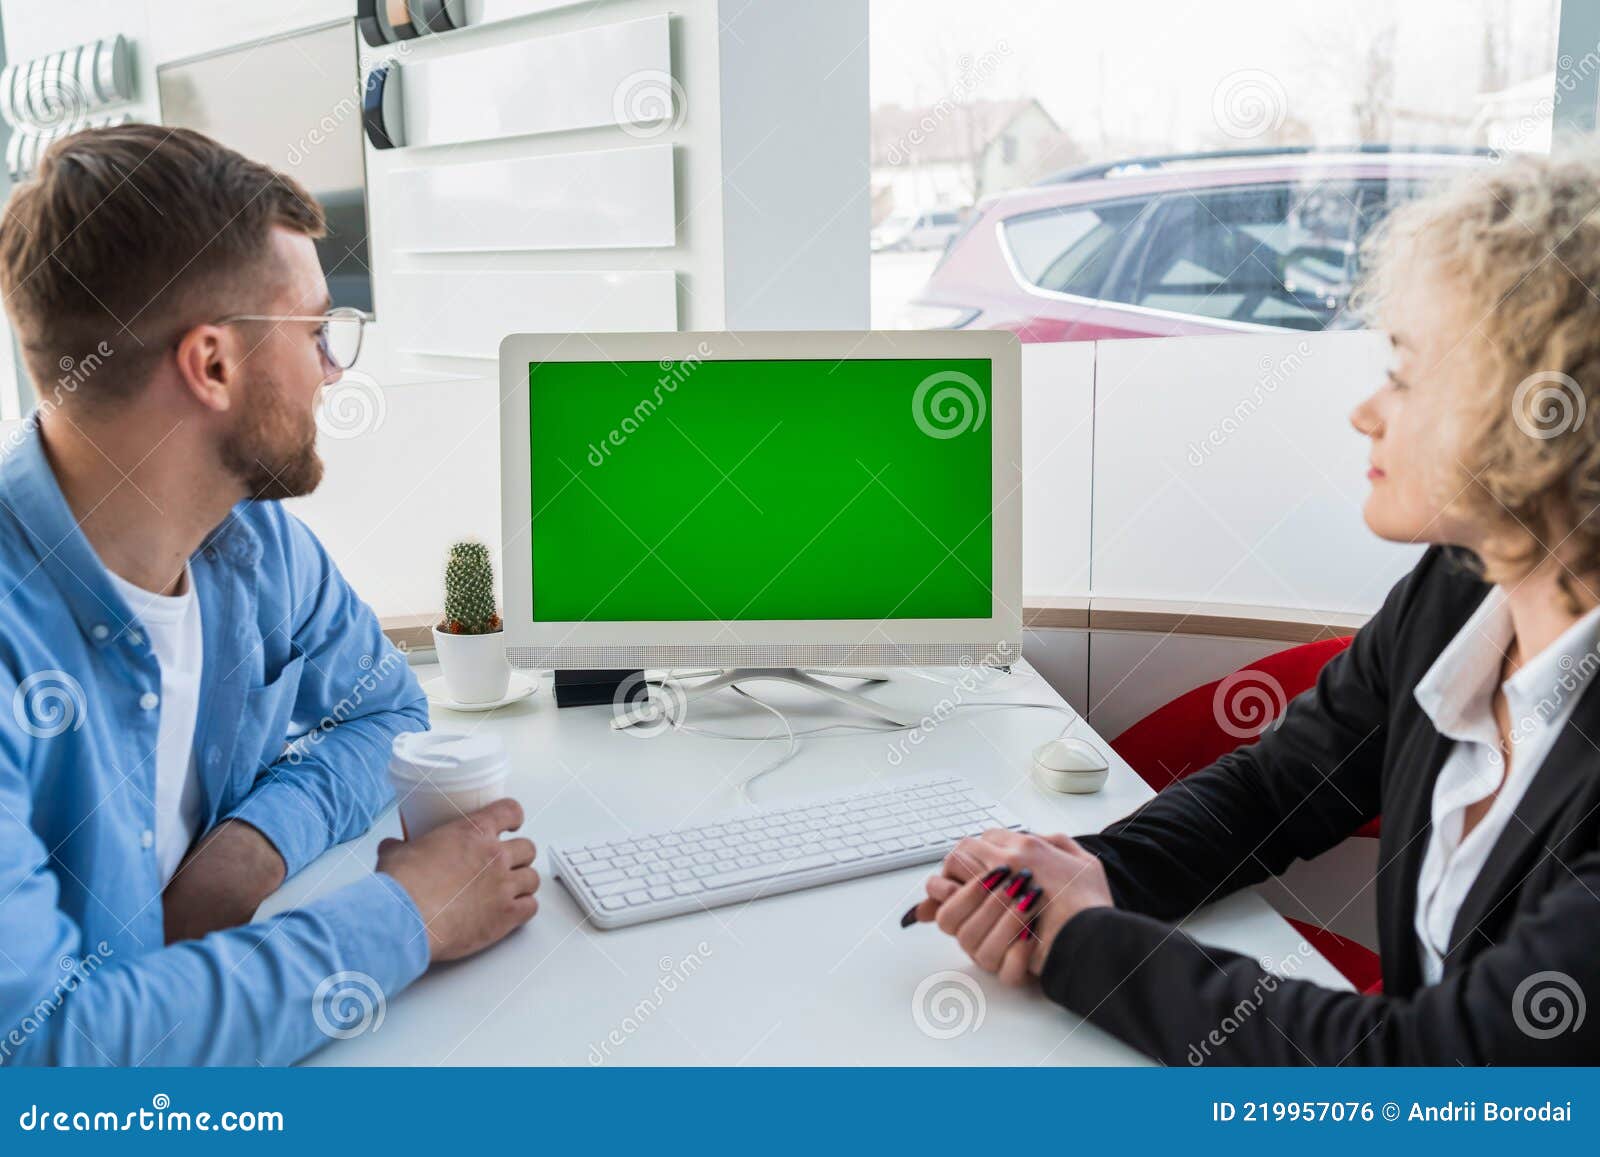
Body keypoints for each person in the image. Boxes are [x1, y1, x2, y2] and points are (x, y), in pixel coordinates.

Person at [910, 150, 1600, 1064]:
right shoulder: (1461, 589)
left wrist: (1083, 940)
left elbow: (1430, 1071)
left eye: (1404, 373)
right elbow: (1278, 788)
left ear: (1542, 414)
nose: (1366, 412)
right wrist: (1077, 878)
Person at [0, 125, 540, 1066]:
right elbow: (44, 1058)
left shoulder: (253, 542)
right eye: (316, 330)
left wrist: (249, 849)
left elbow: (384, 709)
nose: (333, 370)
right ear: (212, 364)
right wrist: (410, 912)